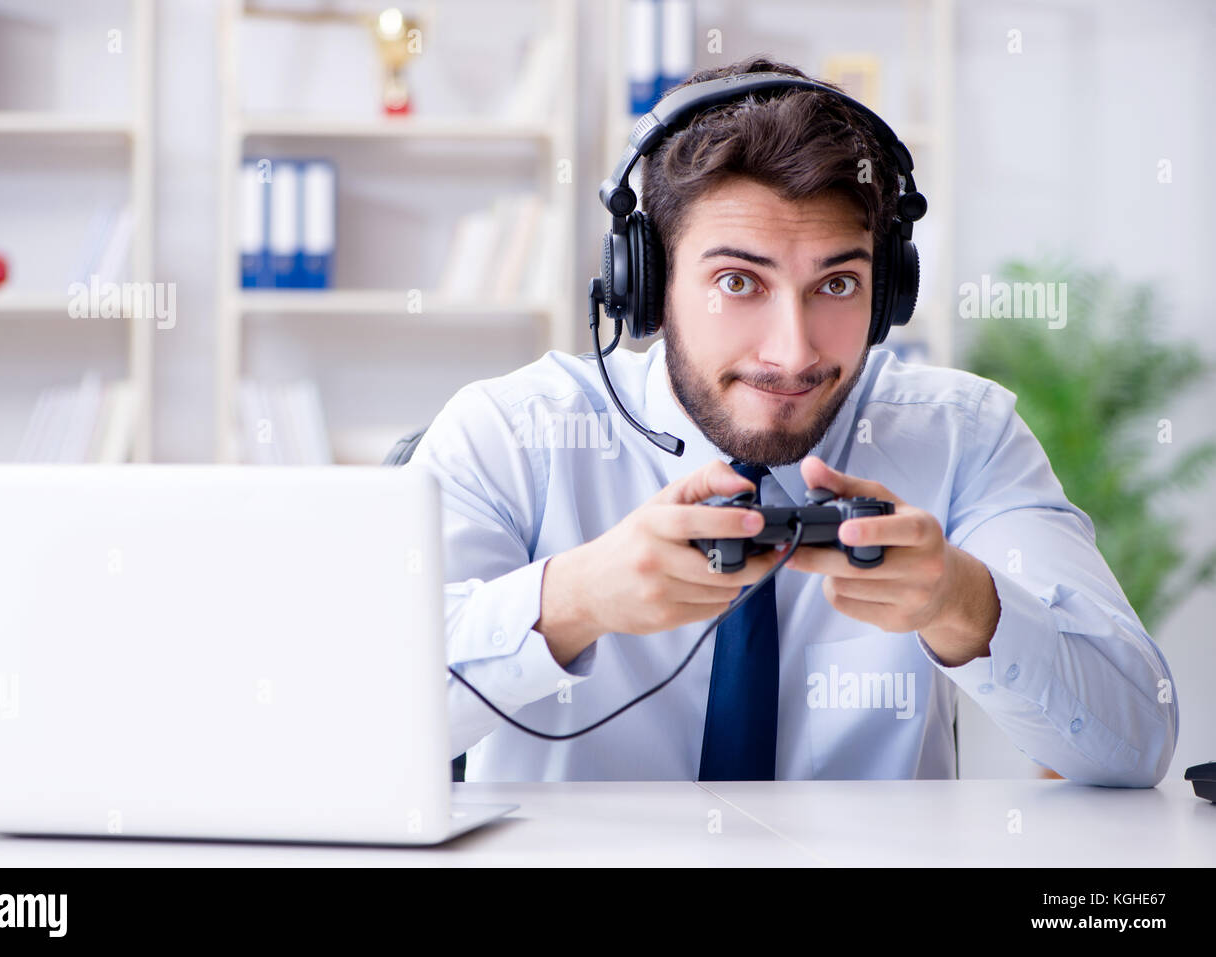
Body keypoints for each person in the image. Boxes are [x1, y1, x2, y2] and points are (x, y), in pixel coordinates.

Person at [406, 56, 1177, 786]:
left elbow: (1138, 740)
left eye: (837, 284)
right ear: (647, 286)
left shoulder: (963, 435)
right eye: (738, 281)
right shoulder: (511, 434)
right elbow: (352, 723)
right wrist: (574, 599)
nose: (793, 350)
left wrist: (964, 602)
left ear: (887, 296)